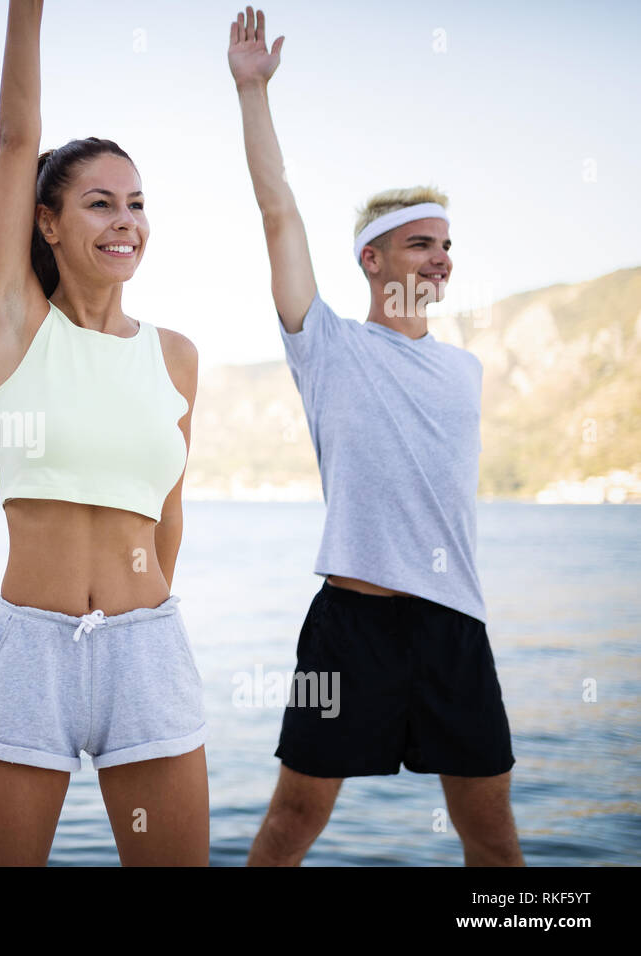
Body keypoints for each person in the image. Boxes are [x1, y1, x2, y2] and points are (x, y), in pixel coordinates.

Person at [227, 6, 522, 866]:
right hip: (348, 629)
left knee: (493, 836)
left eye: (447, 246)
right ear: (371, 258)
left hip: (454, 627)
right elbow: (278, 210)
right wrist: (253, 93)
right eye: (421, 244)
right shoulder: (328, 347)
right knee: (291, 824)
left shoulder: (466, 370)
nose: (441, 260)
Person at [0, 0, 208, 866]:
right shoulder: (17, 325)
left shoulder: (176, 357)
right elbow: (13, 145)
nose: (125, 221)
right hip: (28, 651)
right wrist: (26, 14)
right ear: (47, 221)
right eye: (99, 203)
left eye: (137, 203)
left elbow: (167, 515)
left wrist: (144, 614)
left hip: (148, 650)